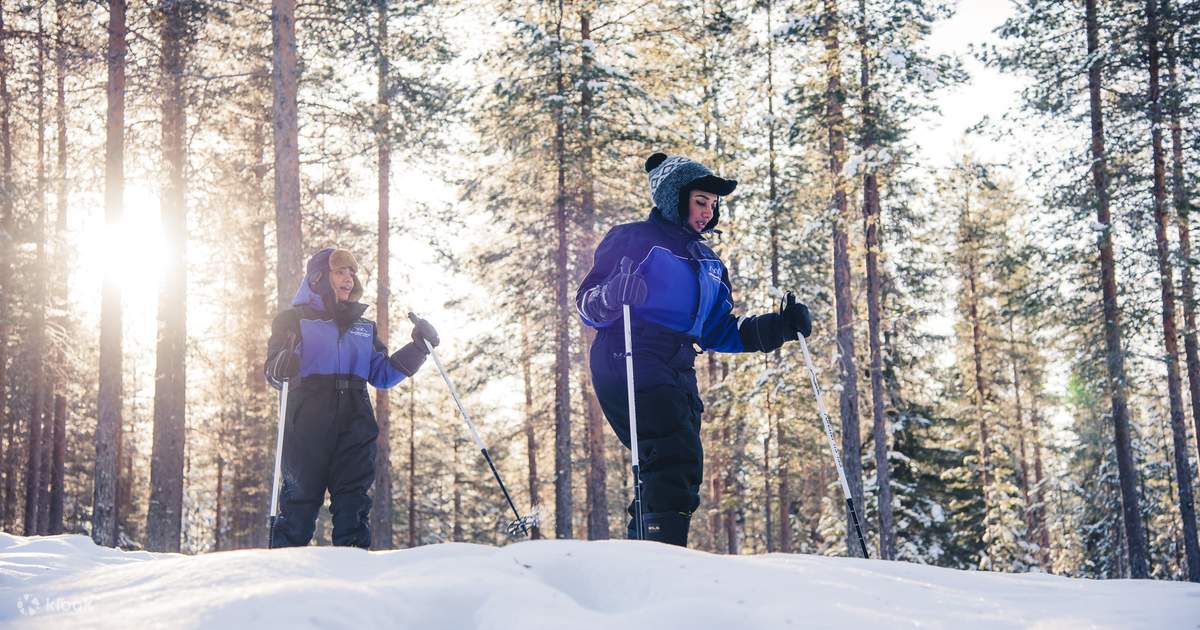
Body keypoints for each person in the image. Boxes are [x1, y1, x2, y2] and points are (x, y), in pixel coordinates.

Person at [576, 152, 812, 547]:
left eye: (714, 204)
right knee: (675, 455)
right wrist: (613, 295)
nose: (709, 212)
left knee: (668, 465)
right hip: (629, 353)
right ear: (673, 197)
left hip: (679, 366)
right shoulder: (633, 239)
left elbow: (719, 330)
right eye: (701, 201)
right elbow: (587, 303)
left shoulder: (709, 262)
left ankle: (643, 551)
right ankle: (662, 558)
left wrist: (779, 327)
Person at [264, 247, 439, 549]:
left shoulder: (364, 327)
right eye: (340, 271)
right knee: (300, 500)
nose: (348, 279)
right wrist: (283, 364)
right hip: (308, 419)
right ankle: (285, 577)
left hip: (355, 420)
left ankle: (353, 573)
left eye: (351, 273)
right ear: (319, 277)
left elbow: (382, 374)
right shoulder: (292, 320)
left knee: (353, 502)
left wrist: (419, 348)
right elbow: (273, 373)